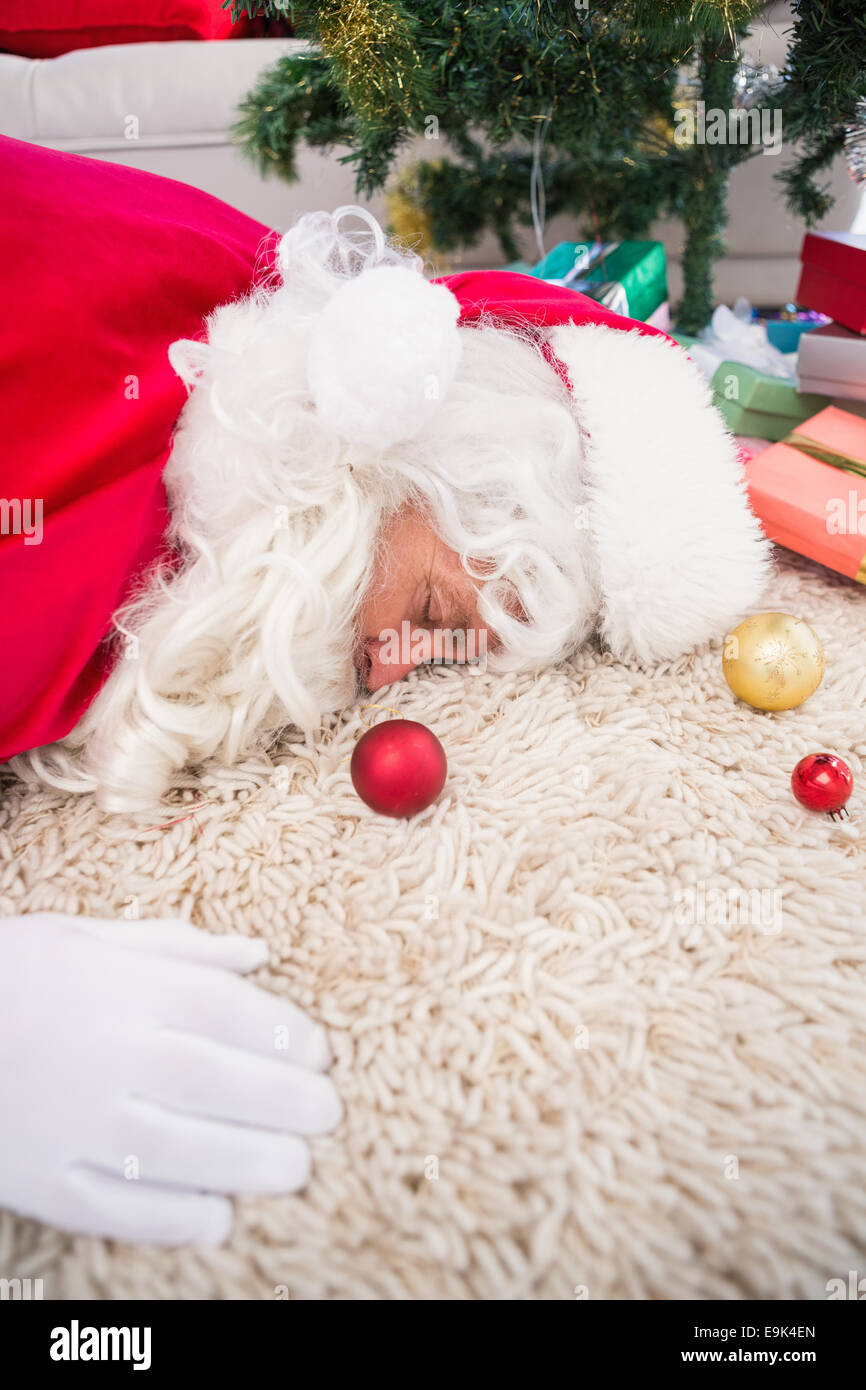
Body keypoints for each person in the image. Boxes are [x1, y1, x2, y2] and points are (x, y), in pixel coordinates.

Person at [0, 136, 769, 1244]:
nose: (392, 675)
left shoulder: (222, 474)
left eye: (450, 659)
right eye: (433, 615)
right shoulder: (91, 331)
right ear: (390, 453)